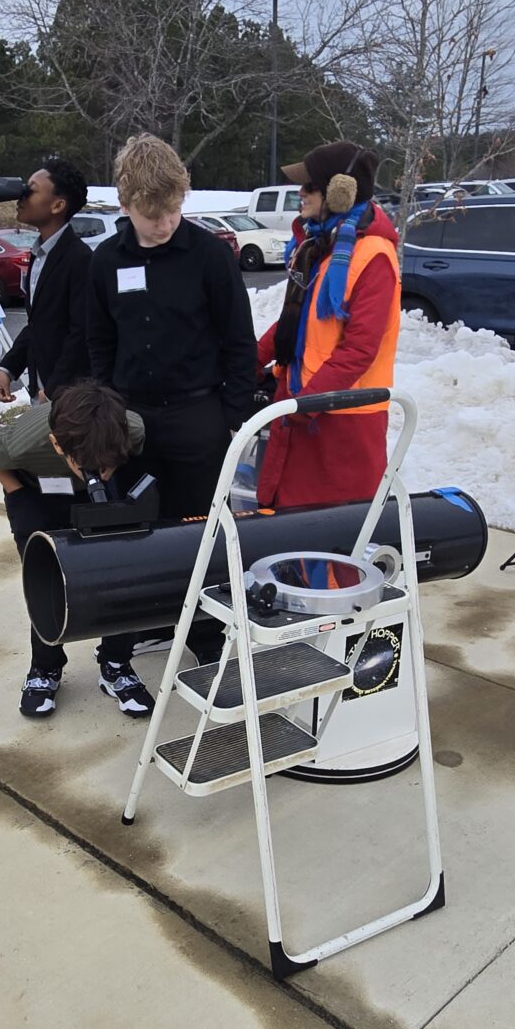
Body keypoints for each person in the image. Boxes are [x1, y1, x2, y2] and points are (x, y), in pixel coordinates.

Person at [87, 134, 254, 661]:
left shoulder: (209, 255)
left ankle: (206, 638)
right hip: (132, 419)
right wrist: (108, 413)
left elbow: (238, 340)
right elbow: (100, 341)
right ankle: (136, 630)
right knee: (134, 528)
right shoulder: (107, 261)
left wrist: (233, 416)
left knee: (199, 529)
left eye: (173, 210)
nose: (162, 223)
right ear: (125, 204)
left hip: (198, 415)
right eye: (150, 213)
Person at [0, 381, 154, 718]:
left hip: (99, 499)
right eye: (90, 465)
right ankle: (45, 668)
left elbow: (126, 457)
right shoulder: (22, 442)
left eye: (105, 464)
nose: (96, 472)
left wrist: (106, 479)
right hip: (37, 493)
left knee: (121, 577)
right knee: (46, 586)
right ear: (57, 445)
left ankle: (116, 663)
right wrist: (15, 493)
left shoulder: (129, 428)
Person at [254, 141, 401, 508]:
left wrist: (303, 405)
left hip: (342, 426)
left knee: (331, 545)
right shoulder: (319, 247)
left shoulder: (374, 257)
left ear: (339, 193)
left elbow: (359, 350)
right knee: (287, 534)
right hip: (303, 411)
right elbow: (295, 320)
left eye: (310, 186)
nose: (300, 194)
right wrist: (248, 361)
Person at [0, 157, 92, 407]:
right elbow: (38, 324)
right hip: (44, 391)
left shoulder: (79, 259)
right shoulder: (39, 256)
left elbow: (81, 333)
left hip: (69, 397)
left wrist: (54, 388)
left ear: (58, 205)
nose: (21, 197)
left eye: (31, 190)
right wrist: (8, 367)